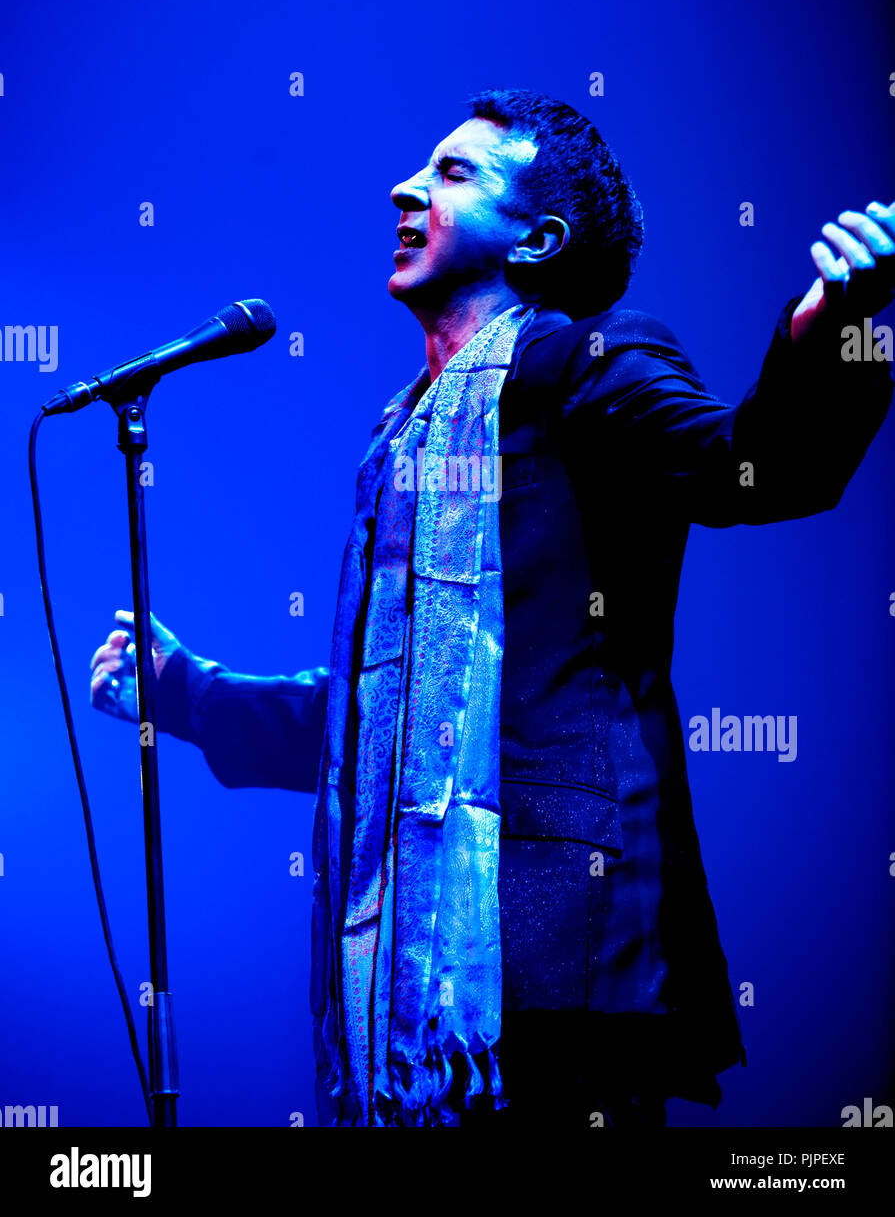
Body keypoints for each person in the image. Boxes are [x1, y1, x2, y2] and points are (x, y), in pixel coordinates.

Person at [90, 90, 894, 1128]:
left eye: (455, 173)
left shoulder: (584, 361)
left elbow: (750, 467)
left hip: (565, 954)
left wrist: (831, 325)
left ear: (538, 235)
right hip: (406, 985)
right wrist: (185, 692)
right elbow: (373, 734)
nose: (406, 188)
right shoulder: (398, 441)